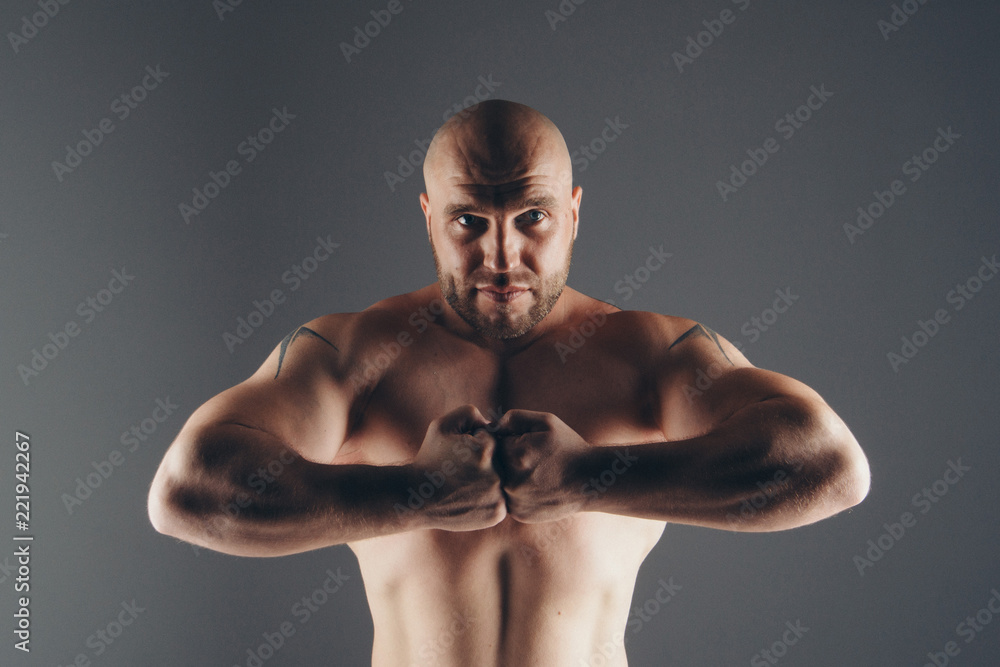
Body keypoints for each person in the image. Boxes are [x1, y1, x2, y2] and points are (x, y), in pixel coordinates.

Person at [147, 99, 870, 666]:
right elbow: (188, 490)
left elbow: (828, 464)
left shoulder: (650, 353)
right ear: (429, 218)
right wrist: (411, 494)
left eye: (533, 217)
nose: (502, 253)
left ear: (575, 214)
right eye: (469, 220)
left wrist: (590, 478)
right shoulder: (354, 355)